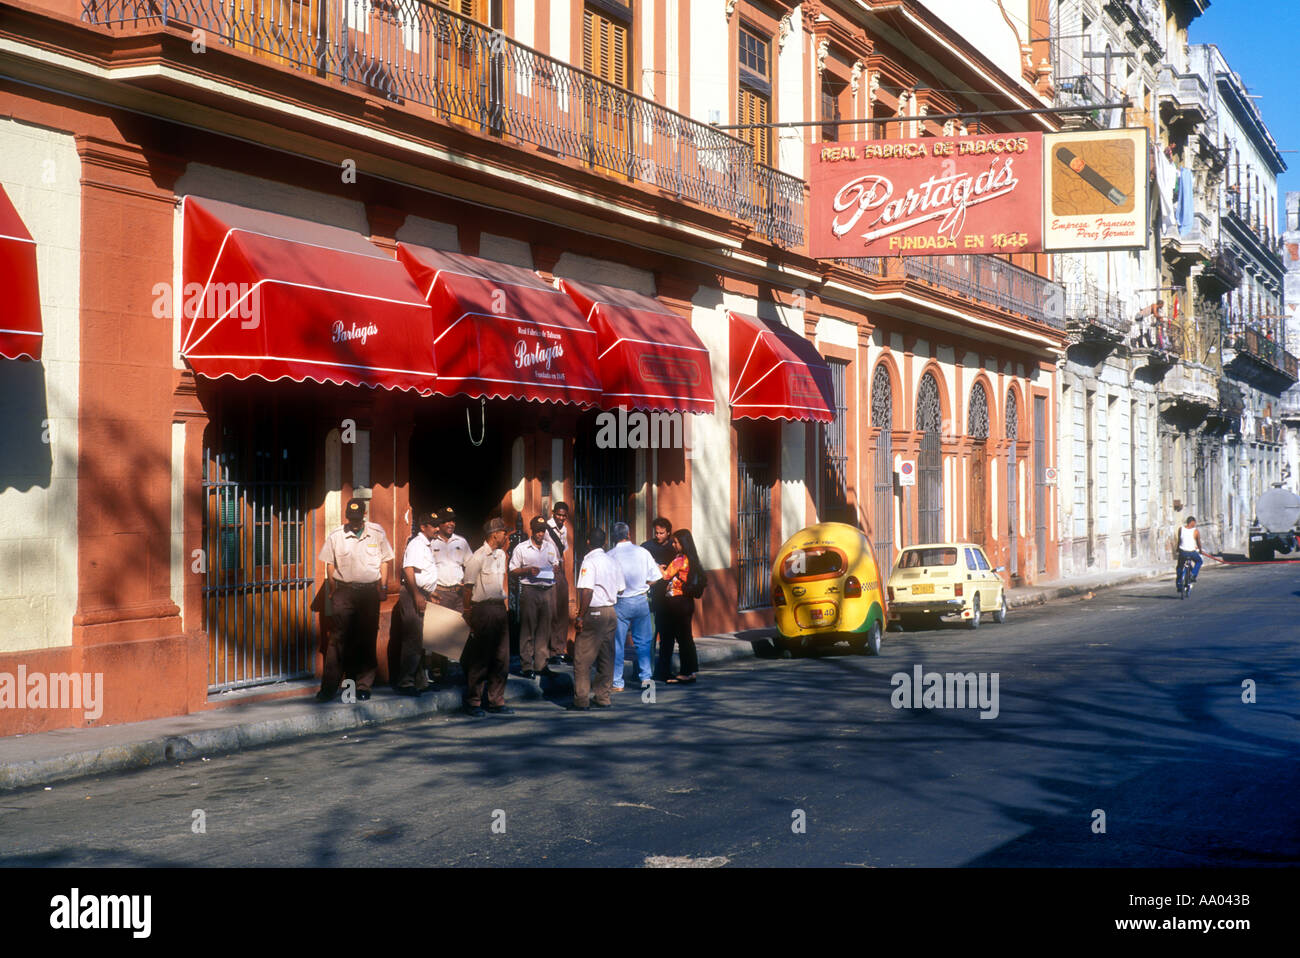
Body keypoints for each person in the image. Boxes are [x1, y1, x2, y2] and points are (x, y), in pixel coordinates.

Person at [317, 498, 394, 702]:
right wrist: (334, 590)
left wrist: (383, 588)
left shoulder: (376, 533)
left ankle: (362, 686)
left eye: (358, 519)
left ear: (364, 515)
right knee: (339, 640)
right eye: (351, 519)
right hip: (345, 591)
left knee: (366, 638)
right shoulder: (336, 536)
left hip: (369, 593)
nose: (354, 523)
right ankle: (330, 687)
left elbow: (385, 561)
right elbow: (330, 564)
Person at [460, 518, 513, 718]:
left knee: (502, 657)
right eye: (503, 533)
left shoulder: (501, 555)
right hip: (482, 609)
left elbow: (504, 580)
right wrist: (468, 613)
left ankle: (496, 700)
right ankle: (473, 701)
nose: (506, 536)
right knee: (480, 658)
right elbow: (468, 588)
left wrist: (505, 604)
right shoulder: (478, 557)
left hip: (499, 609)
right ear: (494, 534)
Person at [571, 528, 625, 710]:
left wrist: (580, 615)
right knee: (606, 656)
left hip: (594, 611)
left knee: (582, 658)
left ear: (588, 542)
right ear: (604, 542)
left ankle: (581, 700)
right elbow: (621, 589)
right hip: (610, 611)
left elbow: (587, 590)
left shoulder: (589, 561)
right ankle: (603, 697)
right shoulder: (613, 561)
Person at [608, 521, 662, 690]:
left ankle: (617, 681)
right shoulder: (642, 552)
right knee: (643, 642)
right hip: (640, 599)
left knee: (618, 643)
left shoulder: (610, 555)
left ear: (613, 537)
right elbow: (656, 576)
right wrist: (644, 585)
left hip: (620, 601)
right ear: (629, 534)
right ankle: (646, 677)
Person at [509, 516, 561, 678]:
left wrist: (556, 569)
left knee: (544, 629)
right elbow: (512, 570)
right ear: (532, 530)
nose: (540, 534)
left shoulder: (550, 546)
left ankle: (541, 664)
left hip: (547, 589)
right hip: (530, 590)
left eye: (543, 530)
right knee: (528, 628)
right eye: (538, 530)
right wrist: (527, 570)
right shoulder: (521, 548)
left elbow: (556, 563)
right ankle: (526, 666)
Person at [394, 511, 439, 696]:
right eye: (433, 525)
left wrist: (431, 592)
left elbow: (422, 573)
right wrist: (417, 595)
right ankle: (406, 682)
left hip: (421, 593)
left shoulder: (426, 545)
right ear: (423, 527)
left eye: (437, 525)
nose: (437, 528)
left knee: (420, 639)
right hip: (413, 594)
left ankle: (419, 681)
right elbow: (408, 569)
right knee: (413, 639)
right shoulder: (417, 544)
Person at [656, 528, 702, 685]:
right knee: (686, 638)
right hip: (686, 601)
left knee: (681, 638)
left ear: (683, 543)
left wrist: (657, 567)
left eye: (676, 542)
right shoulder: (691, 558)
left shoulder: (680, 560)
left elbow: (665, 576)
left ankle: (686, 672)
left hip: (677, 602)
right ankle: (691, 671)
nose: (673, 544)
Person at [642, 517, 674, 673]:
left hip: (669, 598)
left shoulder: (674, 548)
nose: (659, 536)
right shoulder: (646, 547)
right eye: (657, 533)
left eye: (662, 533)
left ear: (668, 533)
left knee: (667, 636)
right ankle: (649, 669)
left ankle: (665, 668)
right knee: (650, 635)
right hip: (652, 598)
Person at [545, 502, 572, 665]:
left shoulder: (564, 529)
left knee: (562, 611)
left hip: (559, 570)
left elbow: (563, 553)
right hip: (548, 570)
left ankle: (559, 649)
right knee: (552, 612)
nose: (561, 518)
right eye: (559, 515)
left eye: (564, 515)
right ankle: (549, 649)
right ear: (553, 513)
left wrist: (563, 572)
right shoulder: (547, 528)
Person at [1173, 515, 1203, 591]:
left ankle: (1179, 585)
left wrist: (1177, 549)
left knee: (1179, 567)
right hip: (1191, 552)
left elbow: (1179, 541)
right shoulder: (1195, 531)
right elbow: (1198, 542)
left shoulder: (1181, 529)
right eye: (1194, 523)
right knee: (1199, 561)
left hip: (1182, 552)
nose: (1195, 524)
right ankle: (1193, 574)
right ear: (1192, 522)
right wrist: (1200, 550)